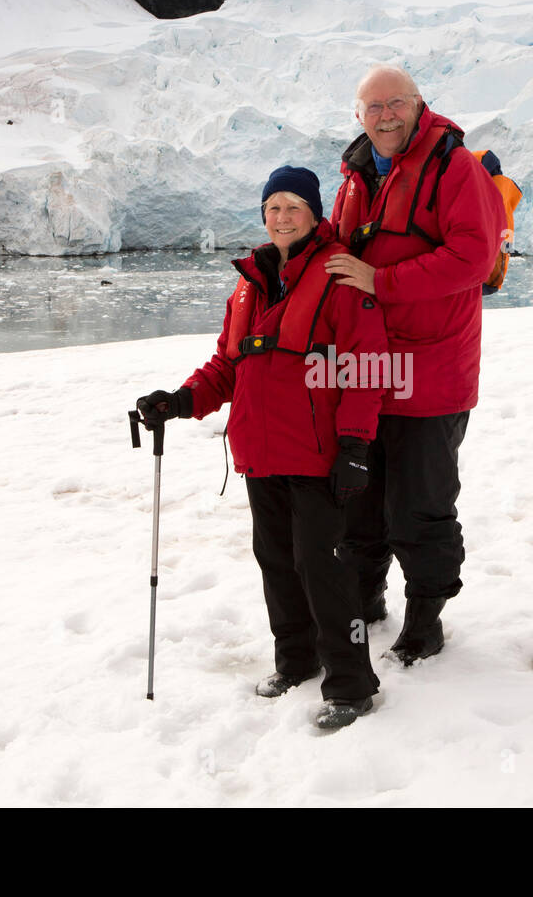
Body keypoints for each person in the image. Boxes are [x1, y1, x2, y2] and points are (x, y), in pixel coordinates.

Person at [137, 165, 385, 730]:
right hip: (260, 452)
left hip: (318, 451)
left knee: (321, 566)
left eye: (294, 206)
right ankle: (295, 660)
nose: (281, 217)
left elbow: (366, 368)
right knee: (276, 561)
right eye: (273, 207)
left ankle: (351, 682)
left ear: (316, 213)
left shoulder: (340, 275)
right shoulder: (249, 283)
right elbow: (228, 364)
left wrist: (355, 446)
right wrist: (180, 401)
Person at [324, 65, 507, 665]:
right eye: (373, 106)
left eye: (395, 103)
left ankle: (426, 618)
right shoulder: (356, 173)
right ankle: (367, 597)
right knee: (360, 497)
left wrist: (383, 280)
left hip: (432, 373)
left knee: (420, 506)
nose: (385, 116)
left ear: (418, 104)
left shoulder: (454, 166)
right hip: (367, 372)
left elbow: (472, 258)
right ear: (359, 115)